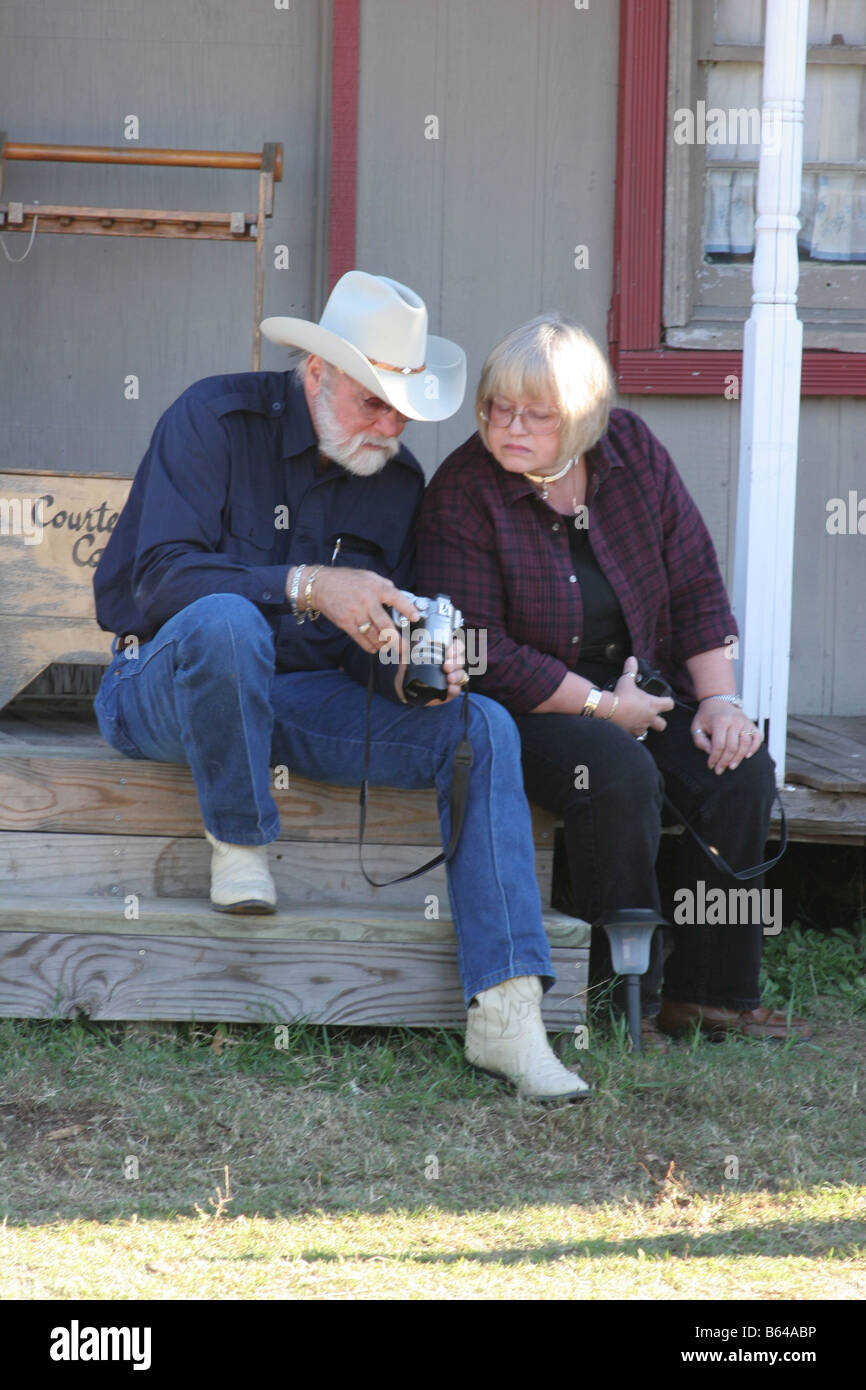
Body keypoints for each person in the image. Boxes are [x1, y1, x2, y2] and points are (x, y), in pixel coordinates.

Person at [91, 272, 590, 1101]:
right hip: (163, 686)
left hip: (298, 702)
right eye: (373, 402)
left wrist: (410, 670)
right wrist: (309, 584)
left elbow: (366, 648)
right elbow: (155, 586)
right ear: (316, 374)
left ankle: (508, 1015)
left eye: (404, 408)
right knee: (226, 623)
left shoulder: (396, 483)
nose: (392, 426)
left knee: (484, 726)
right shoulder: (213, 419)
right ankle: (242, 842)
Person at [415, 312, 810, 1043]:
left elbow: (693, 580)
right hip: (525, 706)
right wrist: (600, 706)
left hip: (640, 685)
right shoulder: (462, 492)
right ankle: (624, 996)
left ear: (587, 420)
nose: (512, 427)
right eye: (499, 408)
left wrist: (721, 700)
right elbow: (479, 650)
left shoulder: (632, 452)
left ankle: (714, 992)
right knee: (618, 772)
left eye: (538, 414)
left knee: (740, 770)